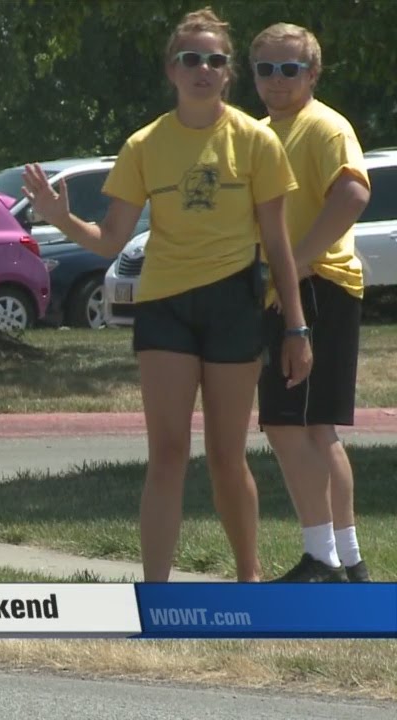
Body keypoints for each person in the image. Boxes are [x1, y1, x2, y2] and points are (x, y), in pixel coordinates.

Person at [22, 7, 312, 582]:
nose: (203, 69)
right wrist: (61, 216)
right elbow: (109, 242)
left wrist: (298, 328)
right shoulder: (145, 145)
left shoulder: (256, 141)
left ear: (227, 73)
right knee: (169, 454)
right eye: (191, 58)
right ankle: (155, 593)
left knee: (228, 457)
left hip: (233, 302)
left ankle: (248, 578)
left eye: (215, 60)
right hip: (166, 309)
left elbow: (278, 247)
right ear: (172, 70)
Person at [250, 24, 372, 582]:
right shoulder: (259, 132)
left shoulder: (324, 126)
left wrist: (297, 263)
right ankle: (346, 559)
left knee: (290, 425)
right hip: (290, 289)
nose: (277, 80)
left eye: (289, 69)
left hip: (318, 286)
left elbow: (353, 191)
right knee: (314, 428)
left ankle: (322, 556)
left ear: (313, 73)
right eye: (265, 69)